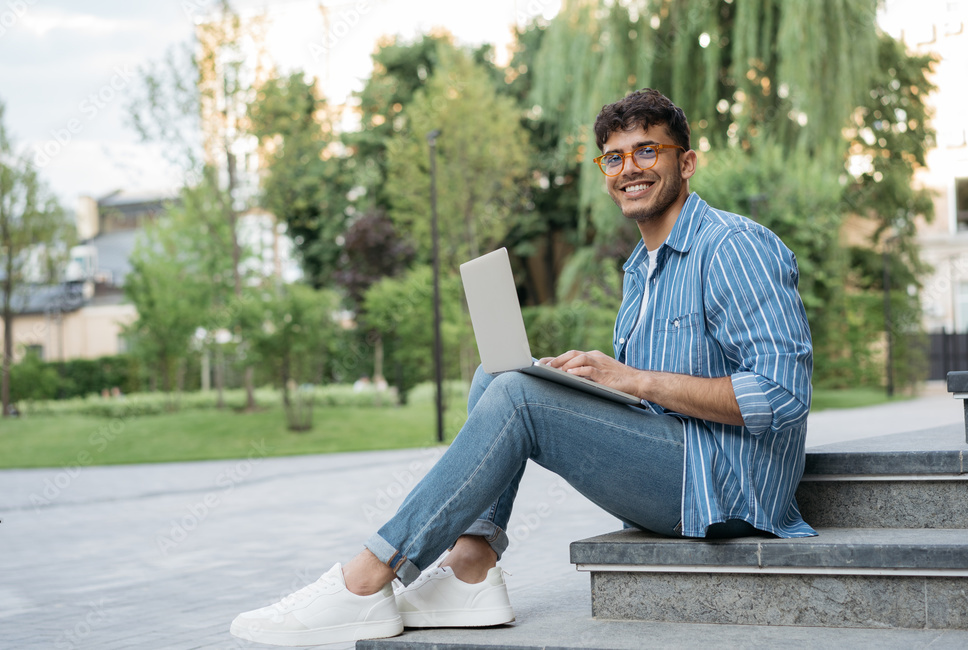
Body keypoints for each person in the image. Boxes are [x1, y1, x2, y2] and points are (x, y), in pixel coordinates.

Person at [230, 88, 816, 647]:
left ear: (685, 162)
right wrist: (576, 379)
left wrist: (630, 379)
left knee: (517, 396)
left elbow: (781, 396)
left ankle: (365, 578)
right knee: (501, 377)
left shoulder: (734, 246)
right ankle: (470, 571)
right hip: (679, 465)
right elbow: (653, 402)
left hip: (727, 489)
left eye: (647, 150)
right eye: (613, 157)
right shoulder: (642, 267)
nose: (629, 168)